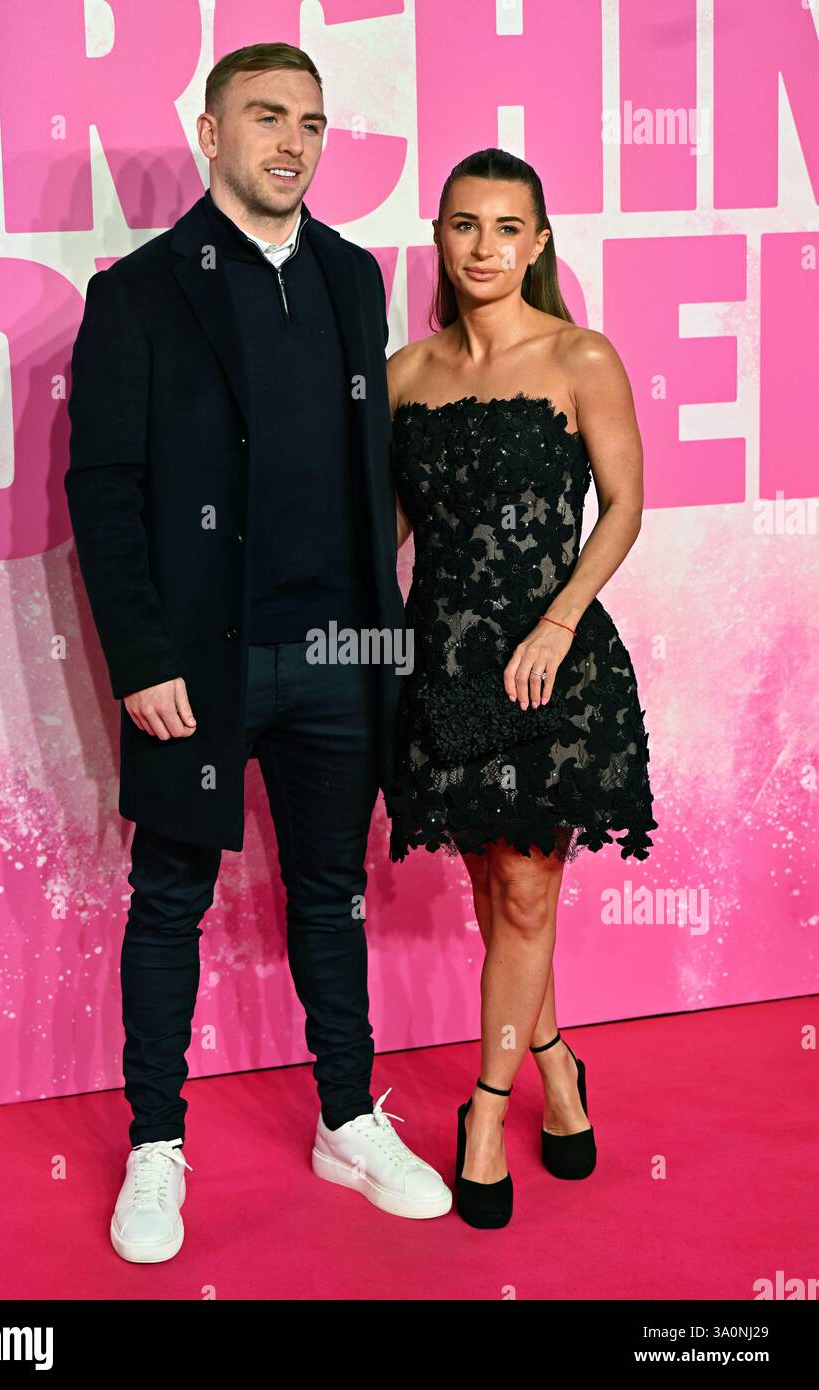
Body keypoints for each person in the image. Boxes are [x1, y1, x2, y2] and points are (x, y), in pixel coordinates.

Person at [65, 42, 451, 1264]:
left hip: (338, 654)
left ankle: (346, 1117)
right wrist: (139, 658)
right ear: (211, 132)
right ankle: (156, 1142)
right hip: (197, 669)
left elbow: (363, 477)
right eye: (267, 116)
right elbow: (104, 492)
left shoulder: (349, 276)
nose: (292, 140)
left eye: (312, 122)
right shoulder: (134, 293)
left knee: (330, 896)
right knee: (169, 899)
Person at [385, 147, 658, 1229]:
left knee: (528, 895)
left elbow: (623, 509)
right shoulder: (406, 375)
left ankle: (485, 1110)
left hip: (551, 666)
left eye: (507, 227)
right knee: (495, 900)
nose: (484, 246)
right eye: (463, 225)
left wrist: (554, 621)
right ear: (440, 239)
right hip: (445, 670)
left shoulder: (580, 355)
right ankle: (557, 1061)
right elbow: (387, 537)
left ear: (538, 243)